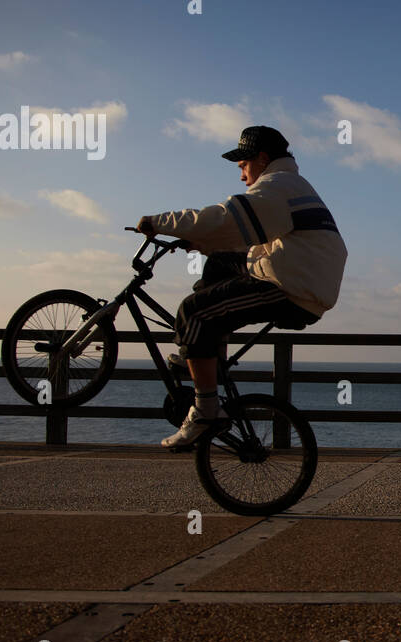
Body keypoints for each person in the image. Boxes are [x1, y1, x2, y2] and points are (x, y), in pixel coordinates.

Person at [136, 125, 348, 450]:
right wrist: (201, 242)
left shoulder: (277, 187)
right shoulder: (291, 185)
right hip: (295, 276)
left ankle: (206, 410)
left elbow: (225, 219)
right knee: (220, 262)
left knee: (193, 314)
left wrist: (159, 221)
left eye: (243, 165)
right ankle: (207, 353)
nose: (241, 175)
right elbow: (246, 239)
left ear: (261, 158)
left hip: (291, 288)